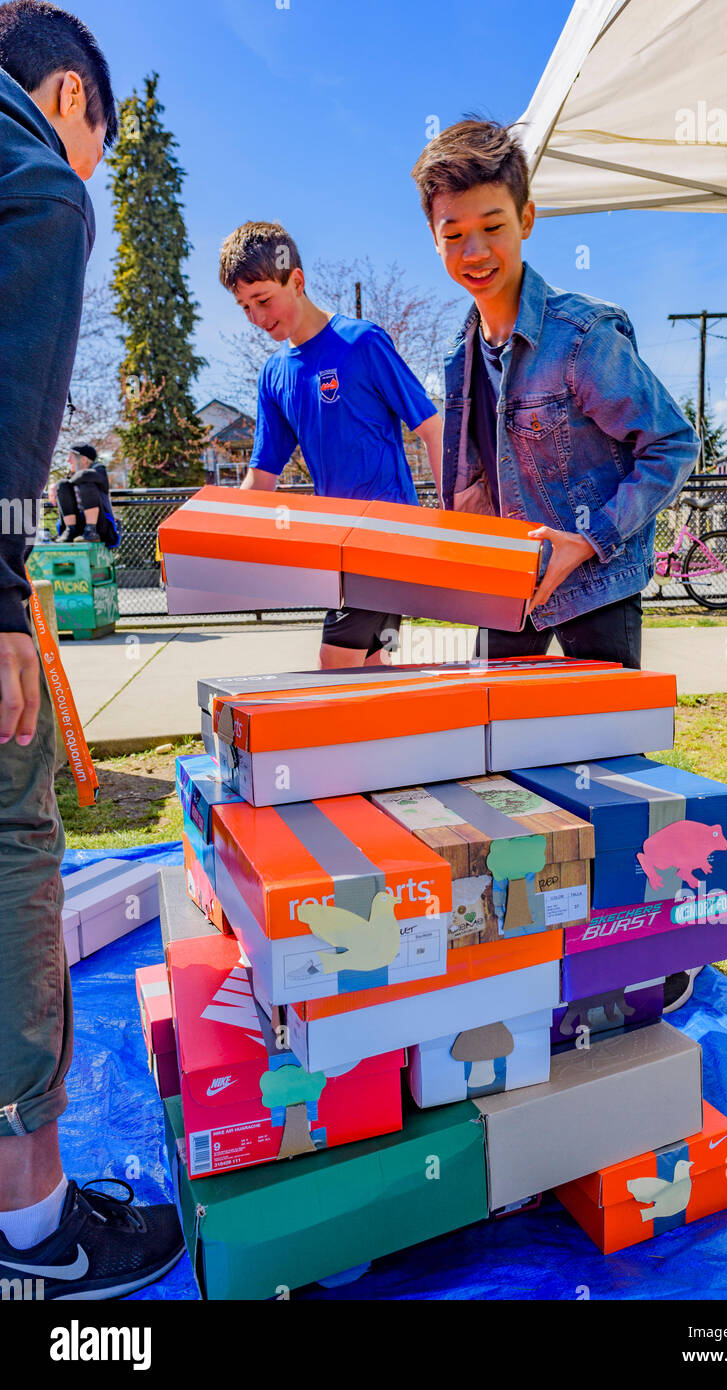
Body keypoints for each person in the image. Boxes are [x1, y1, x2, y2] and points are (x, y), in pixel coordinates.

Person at [410, 118, 701, 1011]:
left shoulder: (580, 337)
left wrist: (590, 535)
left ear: (527, 218)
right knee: (512, 791)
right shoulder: (463, 355)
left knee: (609, 793)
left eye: (491, 225)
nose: (474, 250)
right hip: (508, 607)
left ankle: (652, 959)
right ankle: (540, 958)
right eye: (453, 233)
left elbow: (671, 442)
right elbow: (469, 487)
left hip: (591, 599)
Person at [0, 0, 183, 1298]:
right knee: (14, 844)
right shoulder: (33, 178)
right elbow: (8, 410)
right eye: (98, 151)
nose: (91, 185)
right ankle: (35, 1232)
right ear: (71, 99)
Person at [219, 221, 443, 668]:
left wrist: (446, 520)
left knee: (335, 664)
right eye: (244, 307)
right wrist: (212, 533)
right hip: (339, 542)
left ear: (296, 280)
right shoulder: (274, 375)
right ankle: (400, 739)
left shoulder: (362, 343)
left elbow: (433, 430)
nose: (257, 318)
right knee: (372, 668)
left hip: (386, 535)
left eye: (263, 300)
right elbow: (262, 475)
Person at [54, 442, 119, 545]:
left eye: (71, 457)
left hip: (100, 528)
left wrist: (63, 484)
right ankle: (70, 529)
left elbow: (84, 475)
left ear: (84, 459)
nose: (67, 460)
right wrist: (58, 486)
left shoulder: (99, 471)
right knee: (62, 484)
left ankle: (91, 530)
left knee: (85, 483)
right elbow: (64, 484)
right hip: (79, 528)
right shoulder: (69, 478)